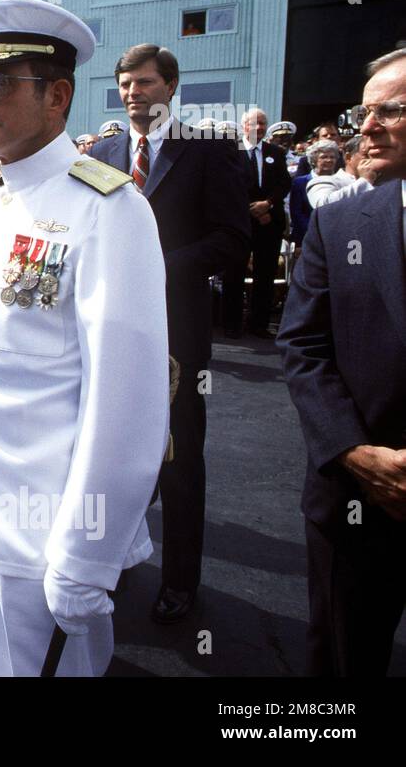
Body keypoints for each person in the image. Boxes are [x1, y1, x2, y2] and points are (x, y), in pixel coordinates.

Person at [0, 0, 169, 676]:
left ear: (58, 95)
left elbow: (125, 406)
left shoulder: (110, 210)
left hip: (50, 534)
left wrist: (88, 556)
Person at [88, 44, 250, 624]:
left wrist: (155, 263)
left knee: (179, 460)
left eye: (147, 83)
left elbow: (234, 240)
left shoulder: (208, 150)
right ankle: (109, 560)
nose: (135, 93)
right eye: (126, 84)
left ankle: (181, 581)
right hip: (108, 329)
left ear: (172, 87)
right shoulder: (102, 153)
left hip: (177, 334)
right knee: (106, 451)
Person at [277, 48, 406, 676]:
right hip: (356, 496)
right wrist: (356, 453)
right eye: (365, 111)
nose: (368, 126)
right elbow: (303, 345)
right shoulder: (339, 222)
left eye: (393, 110)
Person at [222, 109, 290, 339]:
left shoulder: (276, 152)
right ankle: (231, 325)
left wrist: (268, 204)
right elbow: (227, 186)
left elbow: (284, 184)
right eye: (254, 123)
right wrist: (254, 209)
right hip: (240, 223)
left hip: (269, 224)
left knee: (266, 275)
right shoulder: (231, 152)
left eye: (262, 123)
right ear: (244, 127)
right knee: (234, 274)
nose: (259, 128)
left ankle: (259, 324)